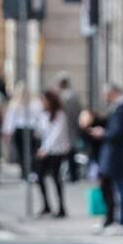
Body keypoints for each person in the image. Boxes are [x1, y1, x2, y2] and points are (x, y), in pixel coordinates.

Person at [97, 84, 123, 228]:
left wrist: (103, 133)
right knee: (112, 185)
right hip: (113, 153)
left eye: (106, 95)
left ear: (112, 93)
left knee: (121, 186)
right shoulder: (120, 107)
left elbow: (119, 131)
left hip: (117, 154)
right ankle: (113, 218)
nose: (104, 98)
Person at [33, 90, 71, 218]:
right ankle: (46, 206)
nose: (42, 103)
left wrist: (45, 149)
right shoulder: (43, 115)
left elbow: (55, 134)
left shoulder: (60, 115)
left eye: (44, 101)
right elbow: (40, 132)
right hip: (45, 150)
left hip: (57, 151)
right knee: (39, 177)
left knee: (56, 178)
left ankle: (61, 208)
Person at [57, 74, 84, 181]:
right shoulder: (72, 95)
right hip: (71, 126)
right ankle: (73, 173)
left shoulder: (65, 96)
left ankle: (72, 174)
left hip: (67, 126)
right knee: (71, 151)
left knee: (69, 152)